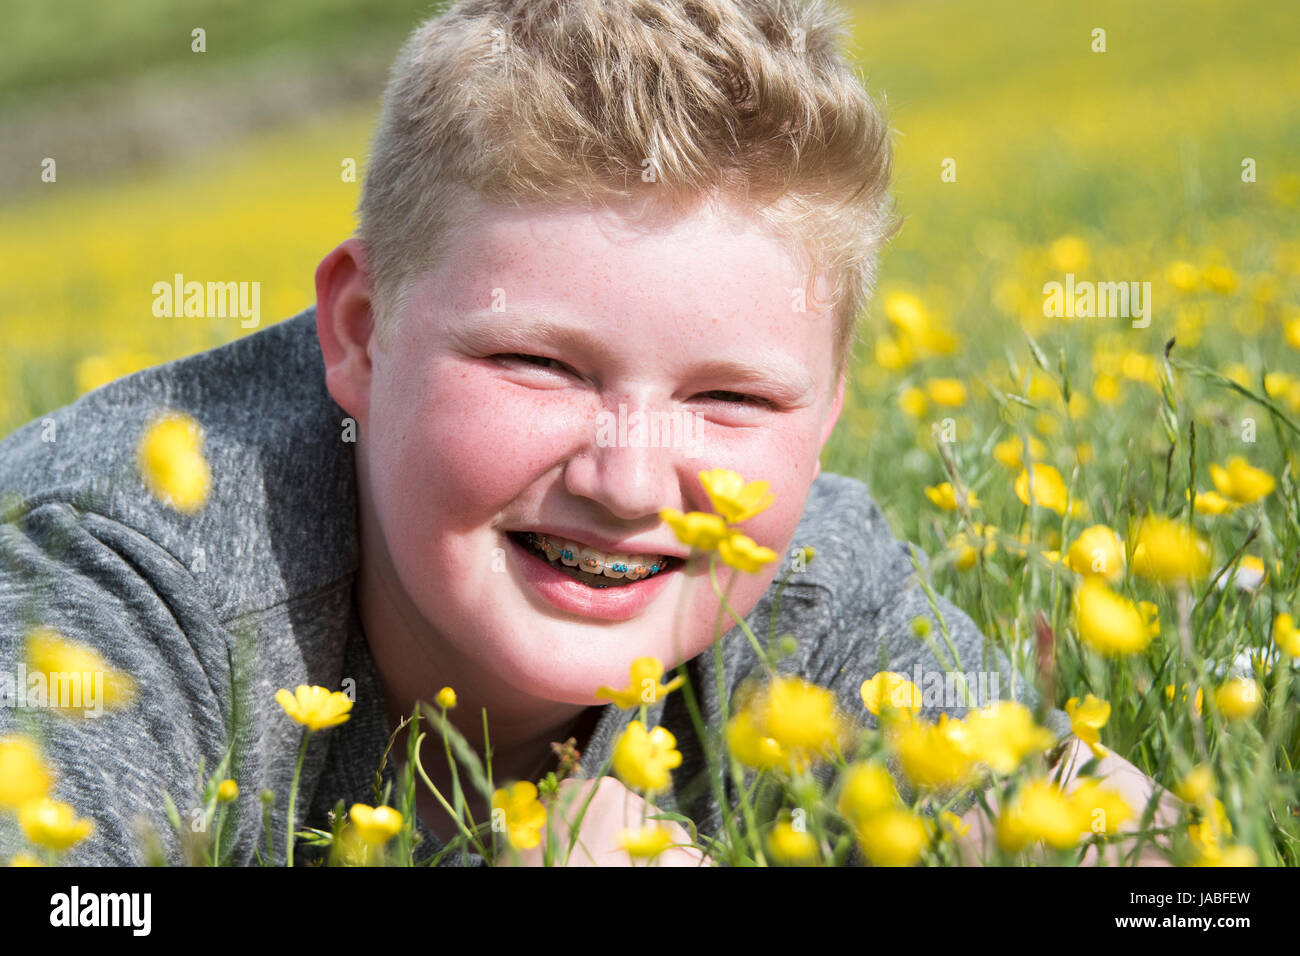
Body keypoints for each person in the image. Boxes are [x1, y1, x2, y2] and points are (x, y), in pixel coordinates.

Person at [0, 0, 1178, 867]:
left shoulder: (803, 579)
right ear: (359, 334)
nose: (628, 481)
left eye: (733, 402)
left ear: (824, 416)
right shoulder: (122, 577)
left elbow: (1140, 858)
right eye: (538, 364)